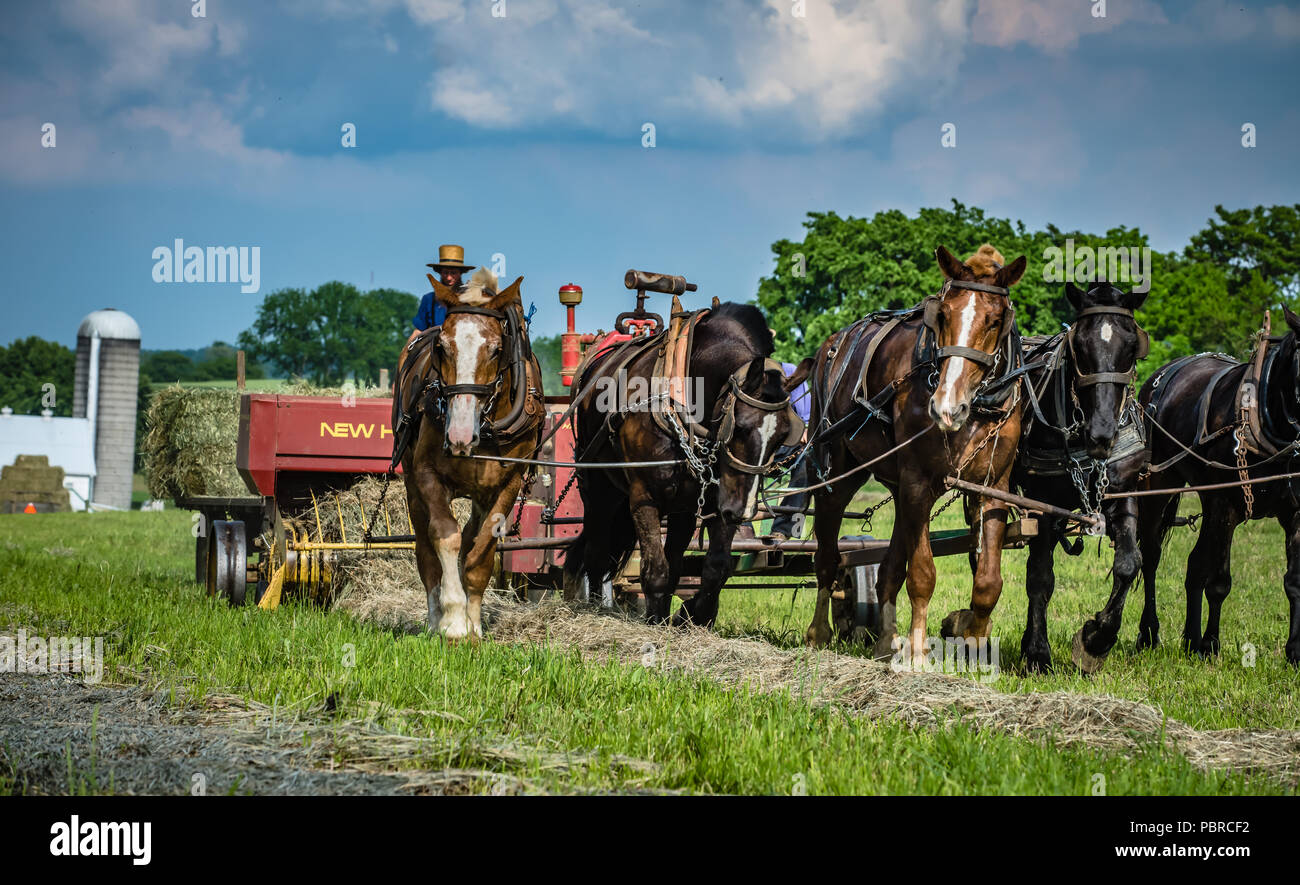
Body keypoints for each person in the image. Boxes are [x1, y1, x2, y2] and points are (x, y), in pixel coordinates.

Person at [769, 360, 812, 541]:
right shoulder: (738, 371)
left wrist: (806, 427)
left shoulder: (788, 371)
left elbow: (806, 416)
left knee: (810, 458)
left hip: (781, 445)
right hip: (746, 447)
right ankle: (741, 528)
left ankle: (788, 531)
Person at [407, 244, 475, 347]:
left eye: (453, 273)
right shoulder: (429, 299)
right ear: (439, 273)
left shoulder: (470, 299)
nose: (448, 277)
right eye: (445, 273)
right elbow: (419, 330)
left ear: (461, 273)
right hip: (435, 346)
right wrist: (406, 354)